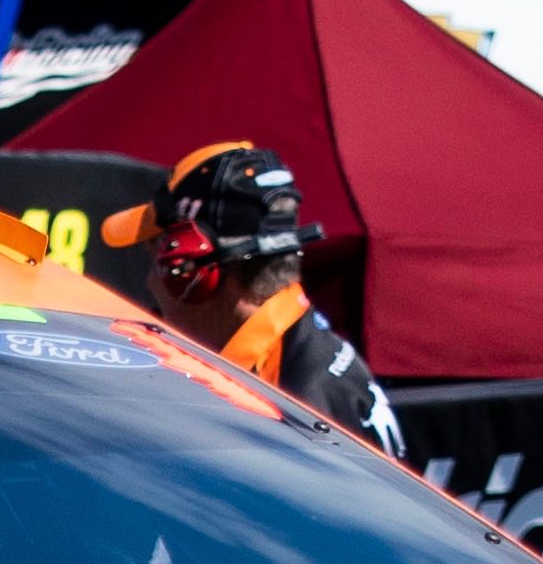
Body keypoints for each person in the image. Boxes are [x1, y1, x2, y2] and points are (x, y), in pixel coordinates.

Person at [124, 143, 407, 457]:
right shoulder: (299, 351)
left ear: (191, 274)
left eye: (157, 261)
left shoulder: (290, 410)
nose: (150, 282)